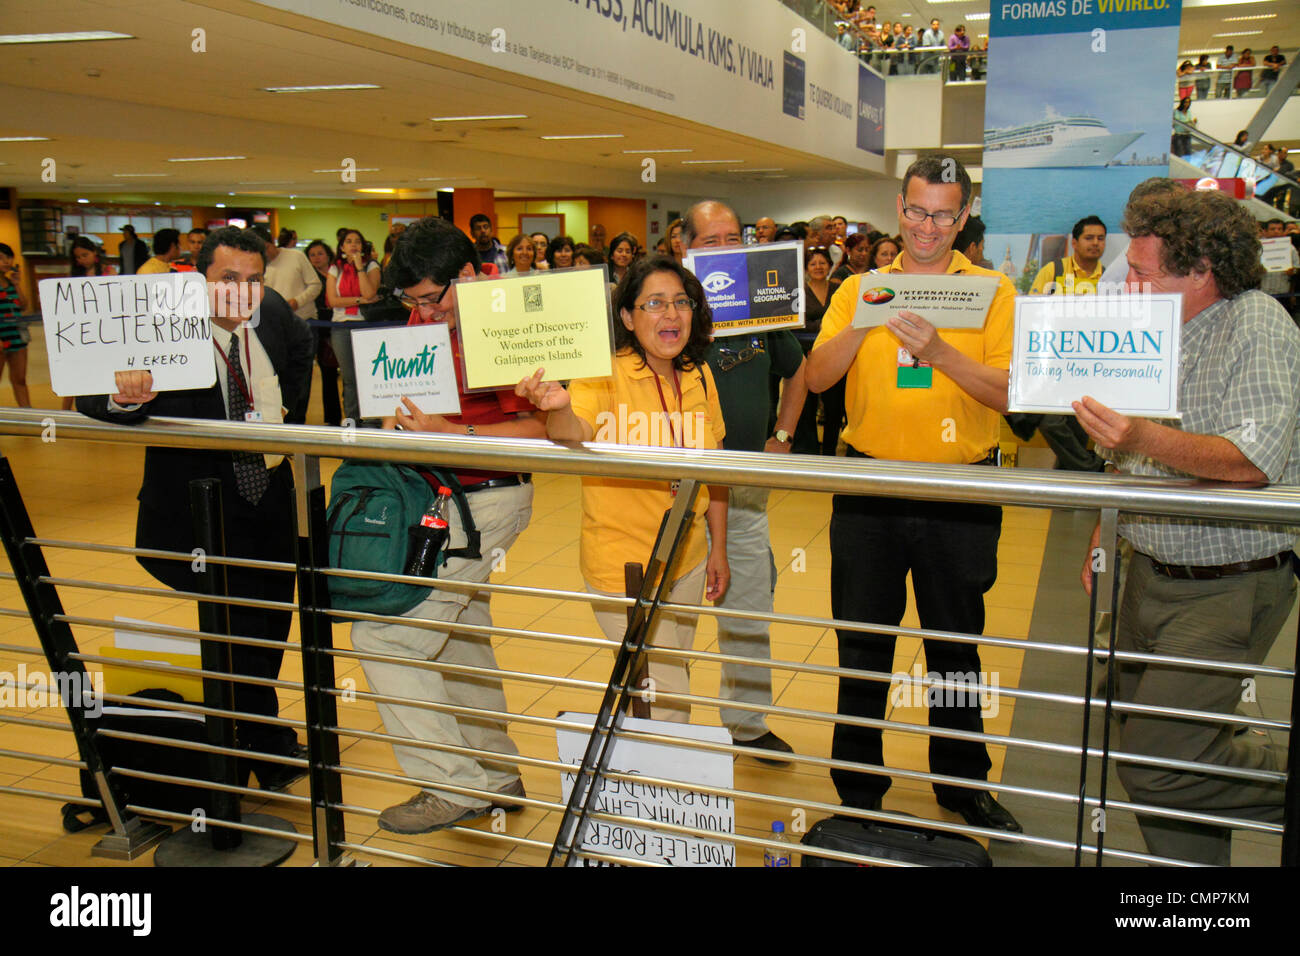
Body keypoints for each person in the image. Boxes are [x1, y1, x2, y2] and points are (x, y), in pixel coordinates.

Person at [1074, 186, 1299, 867]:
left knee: (1158, 762)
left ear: (1202, 270)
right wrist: (1103, 533)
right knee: (1149, 757)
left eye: (1143, 271)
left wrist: (1144, 433)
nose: (1129, 282)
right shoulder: (1158, 328)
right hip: (1147, 572)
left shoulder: (1258, 324)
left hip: (1227, 582)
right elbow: (1127, 459)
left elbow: (1251, 460)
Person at [806, 155, 1022, 833]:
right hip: (867, 487)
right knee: (863, 642)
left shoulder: (993, 290)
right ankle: (859, 787)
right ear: (899, 209)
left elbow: (1016, 395)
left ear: (962, 219)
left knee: (956, 644)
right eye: (916, 210)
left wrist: (941, 352)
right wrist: (870, 317)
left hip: (959, 490)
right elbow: (815, 379)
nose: (927, 227)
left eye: (943, 214)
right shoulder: (858, 287)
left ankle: (962, 782)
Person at [75, 227, 315, 789]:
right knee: (230, 624)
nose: (242, 293)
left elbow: (301, 354)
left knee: (268, 621)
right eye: (228, 280)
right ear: (197, 278)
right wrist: (123, 394)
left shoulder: (273, 316)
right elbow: (95, 398)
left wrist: (284, 430)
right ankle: (239, 744)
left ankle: (258, 737)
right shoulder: (162, 324)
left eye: (253, 280)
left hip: (268, 500)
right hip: (200, 508)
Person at [352, 216, 545, 834]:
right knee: (461, 634)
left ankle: (450, 785)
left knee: (385, 638)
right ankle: (496, 773)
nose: (423, 314)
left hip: (487, 499)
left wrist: (451, 433)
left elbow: (542, 433)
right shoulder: (426, 313)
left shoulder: (508, 319)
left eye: (432, 299)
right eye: (412, 302)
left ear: (468, 274)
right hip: (435, 495)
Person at [516, 255, 729, 724]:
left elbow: (715, 469)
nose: (671, 314)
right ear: (629, 317)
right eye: (654, 303)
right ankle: (661, 789)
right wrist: (557, 408)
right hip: (623, 567)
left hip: (687, 558)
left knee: (659, 684)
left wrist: (719, 550)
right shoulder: (602, 372)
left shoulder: (699, 374)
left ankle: (641, 781)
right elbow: (575, 431)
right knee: (669, 698)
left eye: (681, 302)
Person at [686, 200, 807, 761]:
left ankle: (747, 723)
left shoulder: (763, 307)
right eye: (710, 240)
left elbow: (799, 372)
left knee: (749, 603)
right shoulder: (672, 314)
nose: (724, 248)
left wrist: (781, 436)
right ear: (684, 247)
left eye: (732, 237)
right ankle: (664, 725)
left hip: (744, 486)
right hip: (676, 490)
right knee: (673, 611)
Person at [255, 226, 319, 424]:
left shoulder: (296, 257)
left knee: (300, 380)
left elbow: (315, 285)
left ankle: (297, 420)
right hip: (268, 328)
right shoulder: (255, 265)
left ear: (270, 244)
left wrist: (296, 302)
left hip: (302, 323)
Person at [325, 228, 382, 425]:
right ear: (342, 247)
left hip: (366, 326)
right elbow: (332, 300)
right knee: (349, 379)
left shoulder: (371, 265)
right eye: (349, 241)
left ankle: (373, 419)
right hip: (341, 327)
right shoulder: (335, 268)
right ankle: (352, 420)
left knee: (369, 375)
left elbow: (369, 292)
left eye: (357, 241)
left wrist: (359, 268)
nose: (353, 245)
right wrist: (359, 300)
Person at [792, 247, 841, 458]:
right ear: (806, 268)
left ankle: (830, 451)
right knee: (806, 406)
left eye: (822, 263)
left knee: (834, 406)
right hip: (806, 355)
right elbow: (798, 324)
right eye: (813, 264)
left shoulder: (839, 289)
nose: (818, 267)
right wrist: (827, 324)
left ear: (830, 265)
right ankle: (808, 451)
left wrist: (821, 326)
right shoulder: (799, 291)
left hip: (835, 356)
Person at [305, 239, 341, 426]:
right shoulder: (309, 279)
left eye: (320, 253)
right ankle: (331, 418)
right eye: (312, 255)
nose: (317, 258)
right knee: (325, 371)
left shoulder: (339, 273)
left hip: (340, 325)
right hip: (318, 328)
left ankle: (341, 417)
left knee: (338, 374)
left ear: (328, 254)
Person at [1030, 215, 1107, 296]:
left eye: (1100, 238)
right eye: (1089, 238)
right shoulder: (1052, 271)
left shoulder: (1108, 277)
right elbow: (1032, 305)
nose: (1095, 243)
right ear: (1074, 243)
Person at [0, 243, 30, 408]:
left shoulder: (10, 282)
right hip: (1, 336)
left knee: (20, 378)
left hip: (17, 335)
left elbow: (23, 305)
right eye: (0, 258)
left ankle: (28, 414)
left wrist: (17, 284)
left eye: (8, 257)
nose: (6, 262)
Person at [1260, 218, 1298, 304]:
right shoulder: (1258, 248)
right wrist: (1257, 270)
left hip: (1283, 294)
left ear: (1284, 231)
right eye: (1272, 229)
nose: (1276, 231)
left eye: (1279, 229)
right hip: (1263, 292)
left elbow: (1297, 268)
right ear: (1265, 231)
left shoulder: (1291, 249)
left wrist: (1293, 271)